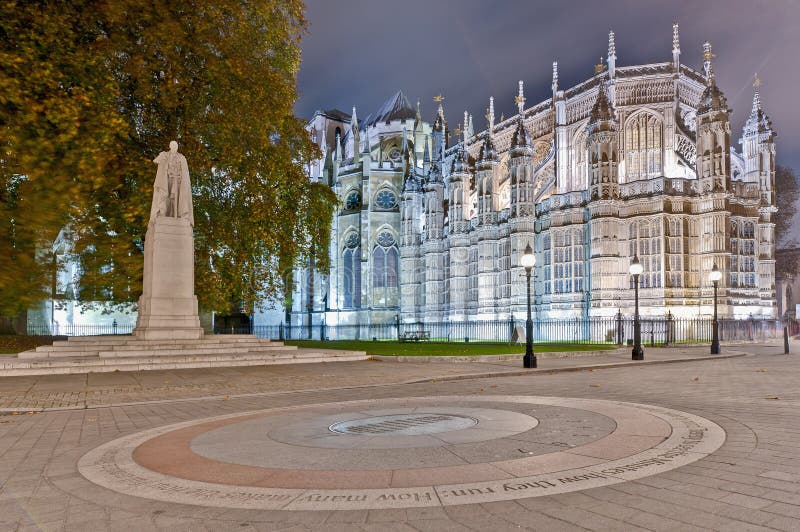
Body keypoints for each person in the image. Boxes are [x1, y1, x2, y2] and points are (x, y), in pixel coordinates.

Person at [149, 141, 194, 226]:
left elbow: (185, 171)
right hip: (165, 179)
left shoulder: (181, 157)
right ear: (170, 146)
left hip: (177, 181)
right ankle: (163, 213)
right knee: (164, 196)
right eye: (173, 145)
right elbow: (155, 161)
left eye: (176, 146)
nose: (174, 147)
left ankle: (176, 214)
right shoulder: (165, 155)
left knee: (175, 198)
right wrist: (162, 157)